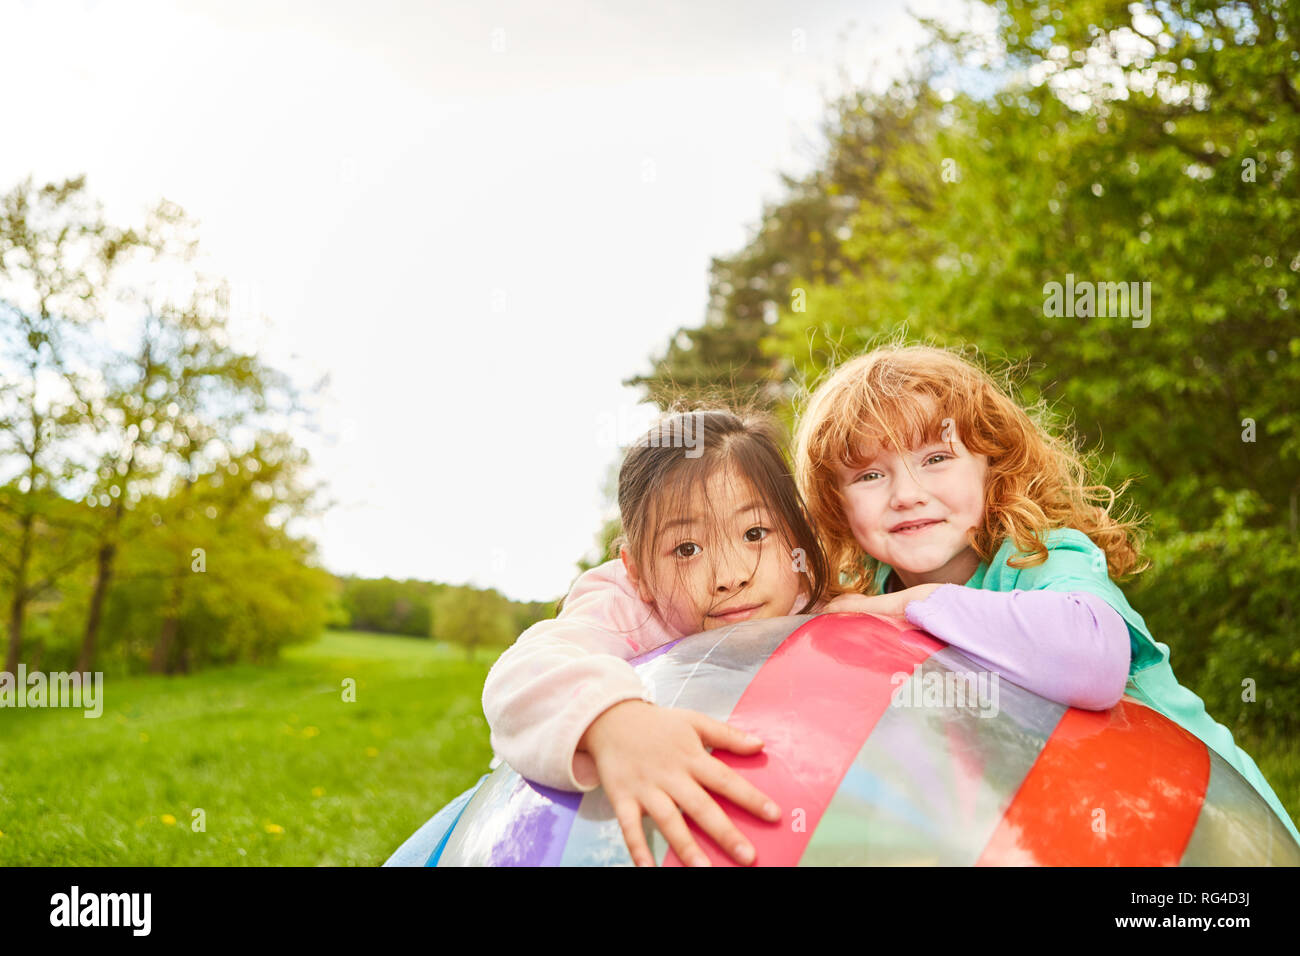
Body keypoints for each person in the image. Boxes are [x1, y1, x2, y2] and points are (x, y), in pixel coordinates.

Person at [793, 343, 1300, 845]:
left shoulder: (1042, 555)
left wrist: (906, 607)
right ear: (835, 505)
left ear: (993, 464)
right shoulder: (866, 593)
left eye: (937, 457)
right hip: (1087, 830)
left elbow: (1093, 664)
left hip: (1213, 825)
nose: (906, 494)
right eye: (870, 475)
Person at [480, 408, 831, 867]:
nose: (729, 576)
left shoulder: (815, 606)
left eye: (754, 533)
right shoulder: (624, 606)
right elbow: (521, 673)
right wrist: (613, 721)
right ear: (638, 570)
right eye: (687, 549)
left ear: (798, 532)